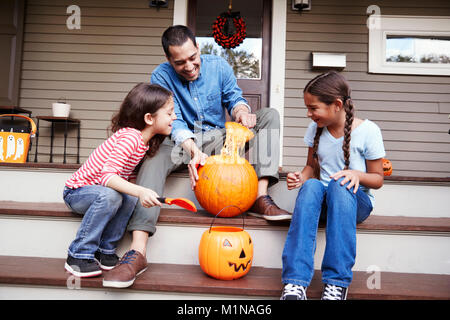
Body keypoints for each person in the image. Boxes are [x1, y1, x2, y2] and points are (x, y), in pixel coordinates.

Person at [104, 25, 290, 288]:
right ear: (169, 60)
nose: (189, 66)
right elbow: (174, 122)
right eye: (180, 63)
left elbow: (235, 98)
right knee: (153, 159)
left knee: (269, 115)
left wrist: (241, 113)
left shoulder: (219, 66)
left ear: (198, 48)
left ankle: (260, 197)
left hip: (219, 138)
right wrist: (194, 151)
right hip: (181, 142)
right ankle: (138, 250)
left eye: (193, 58)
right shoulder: (161, 76)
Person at [280, 71, 385, 300]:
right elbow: (311, 167)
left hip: (355, 201)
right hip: (325, 202)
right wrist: (301, 176)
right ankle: (295, 284)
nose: (309, 114)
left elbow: (378, 179)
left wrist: (356, 174)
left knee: (339, 183)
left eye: (313, 108)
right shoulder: (315, 129)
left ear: (337, 105)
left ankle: (336, 283)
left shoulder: (368, 131)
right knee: (311, 187)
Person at [63, 83, 176, 280]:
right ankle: (78, 254)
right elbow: (107, 177)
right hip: (77, 192)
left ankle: (105, 251)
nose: (174, 117)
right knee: (111, 194)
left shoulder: (144, 143)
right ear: (149, 118)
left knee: (129, 198)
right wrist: (141, 190)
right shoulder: (130, 138)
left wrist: (139, 194)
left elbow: (127, 176)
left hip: (101, 194)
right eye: (169, 113)